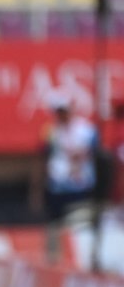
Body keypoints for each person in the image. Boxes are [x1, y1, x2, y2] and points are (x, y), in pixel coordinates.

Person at [30, 94, 100, 264]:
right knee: (54, 227)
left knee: (84, 227)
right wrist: (37, 190)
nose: (61, 115)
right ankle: (54, 261)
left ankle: (89, 260)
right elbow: (43, 159)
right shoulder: (51, 131)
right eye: (58, 111)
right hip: (56, 187)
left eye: (64, 111)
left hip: (80, 188)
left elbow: (96, 158)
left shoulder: (87, 130)